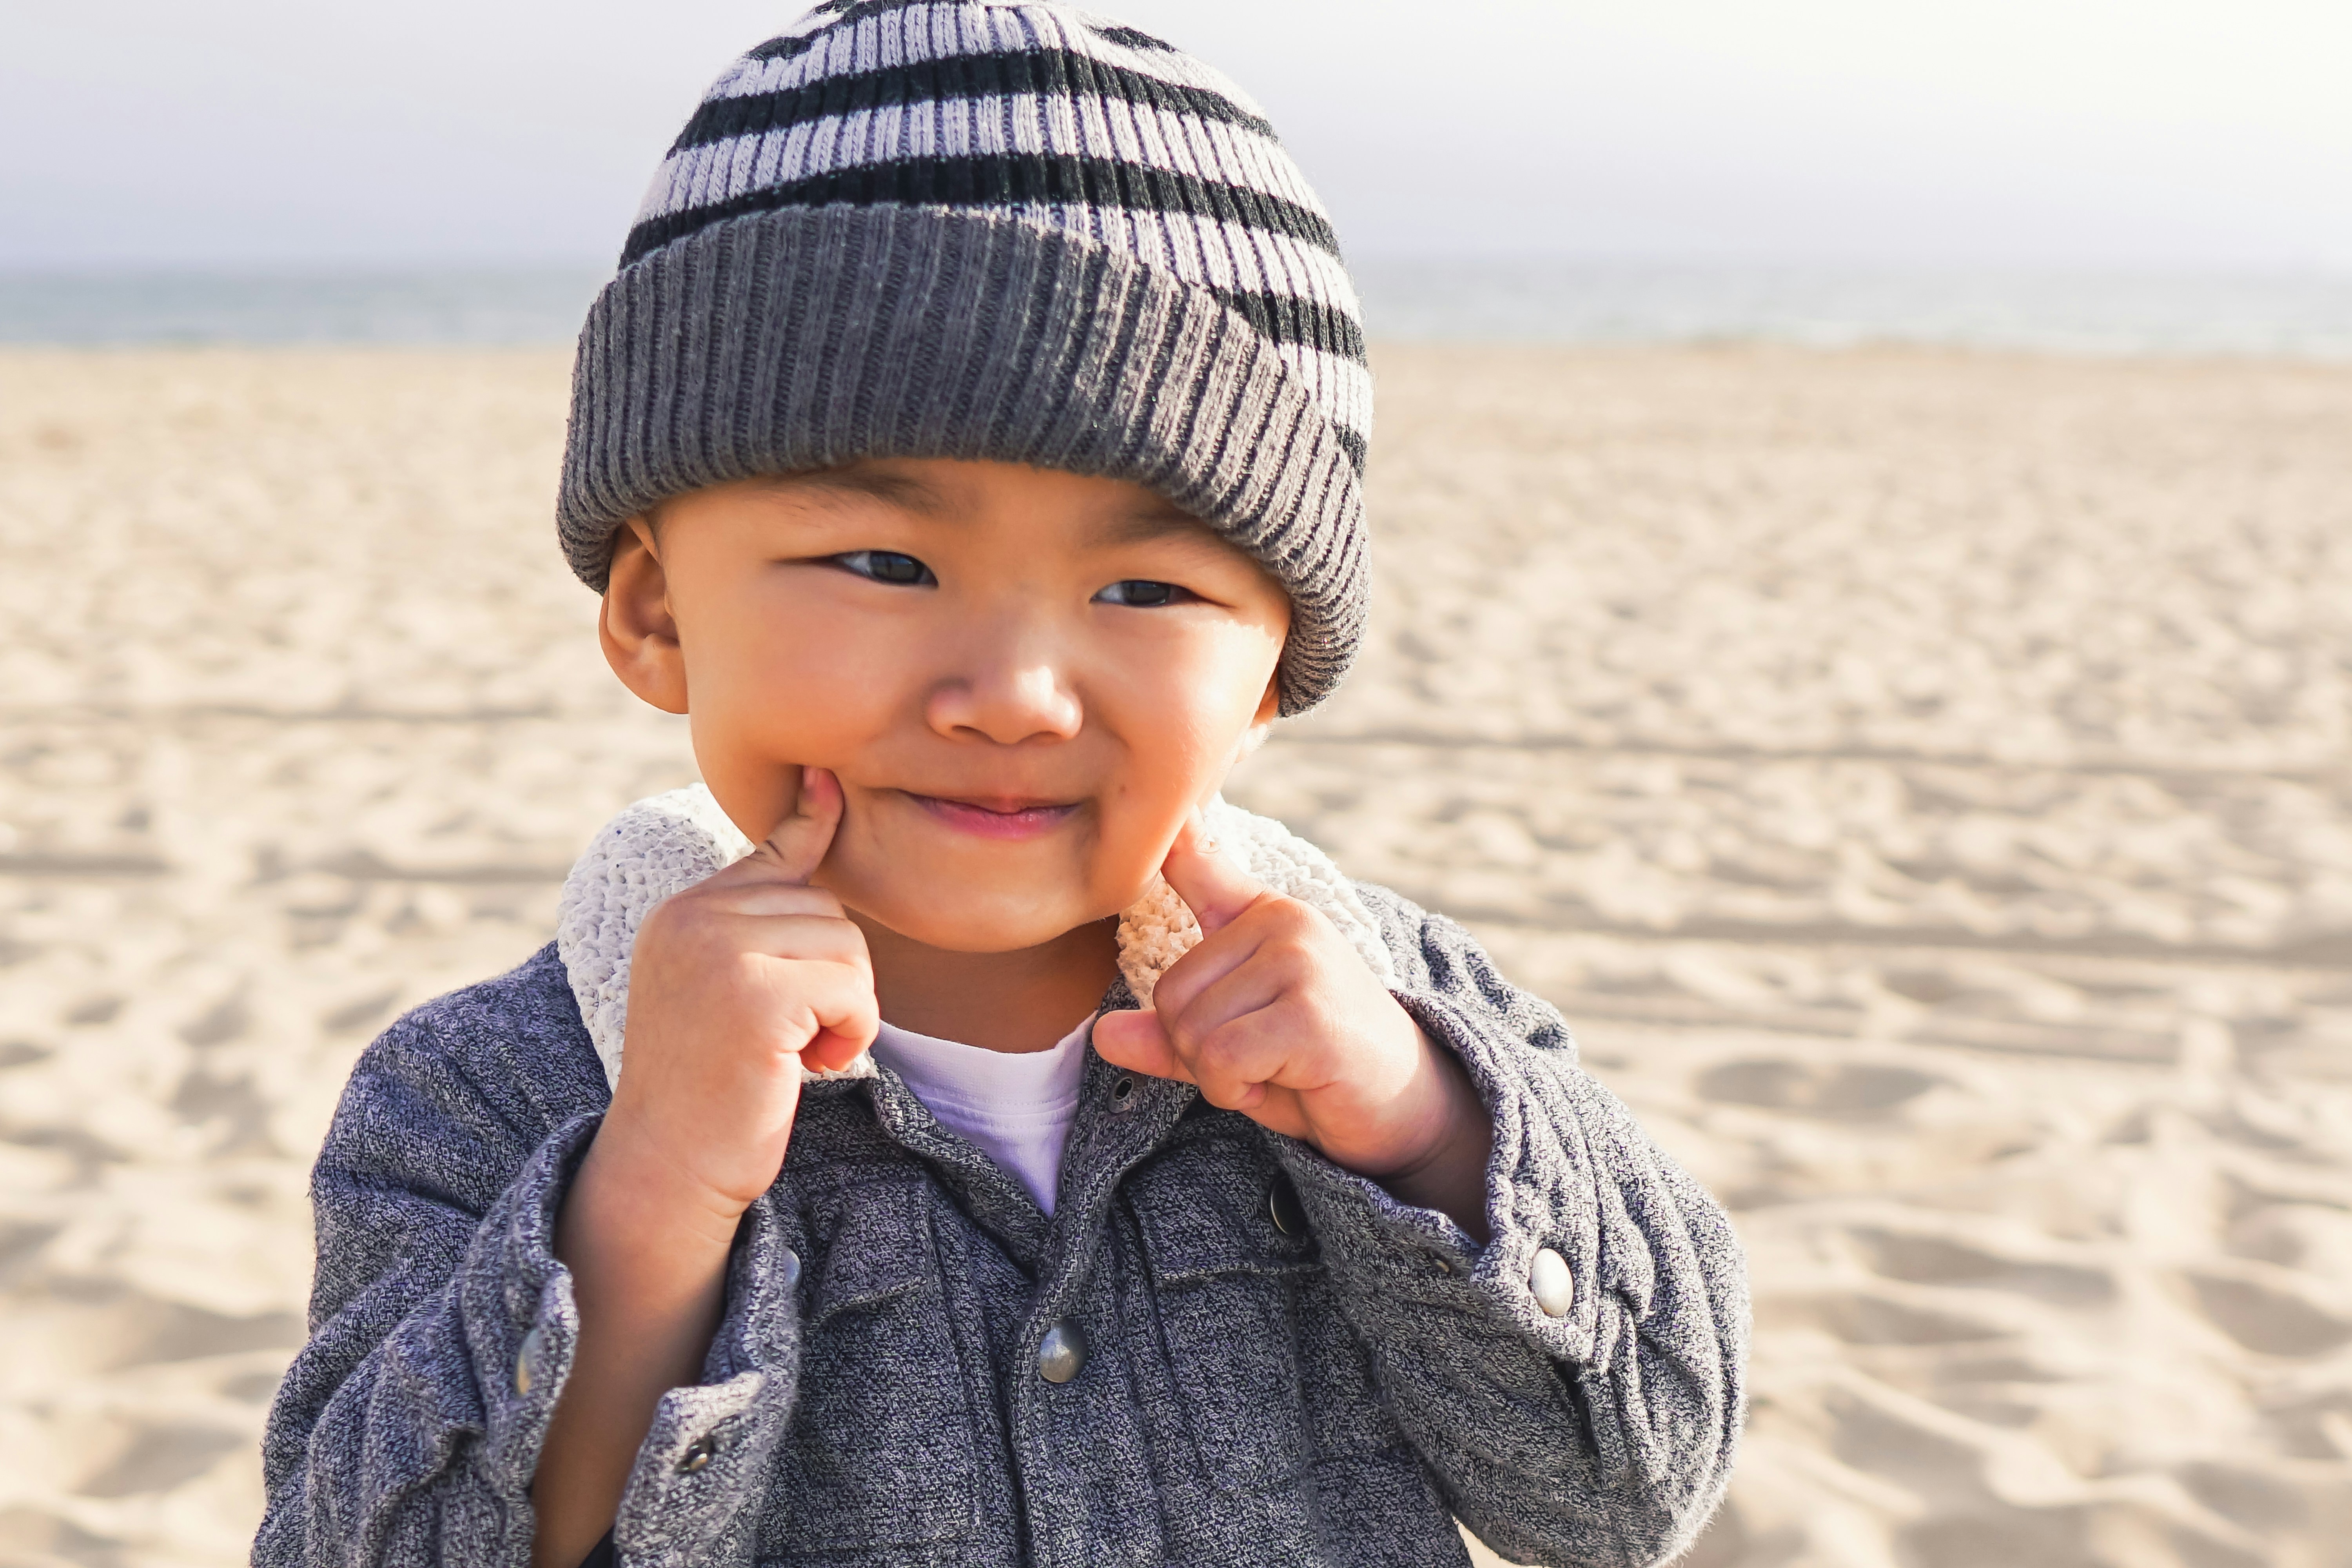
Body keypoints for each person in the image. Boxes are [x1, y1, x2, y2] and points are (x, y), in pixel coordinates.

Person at [252, 5, 1748, 1565]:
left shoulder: (1400, 1010)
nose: (1015, 696)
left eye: (1149, 591)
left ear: (1273, 673)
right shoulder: (486, 1089)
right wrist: (651, 1195)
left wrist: (1426, 1127)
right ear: (655, 612)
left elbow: (1625, 1493)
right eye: (887, 562)